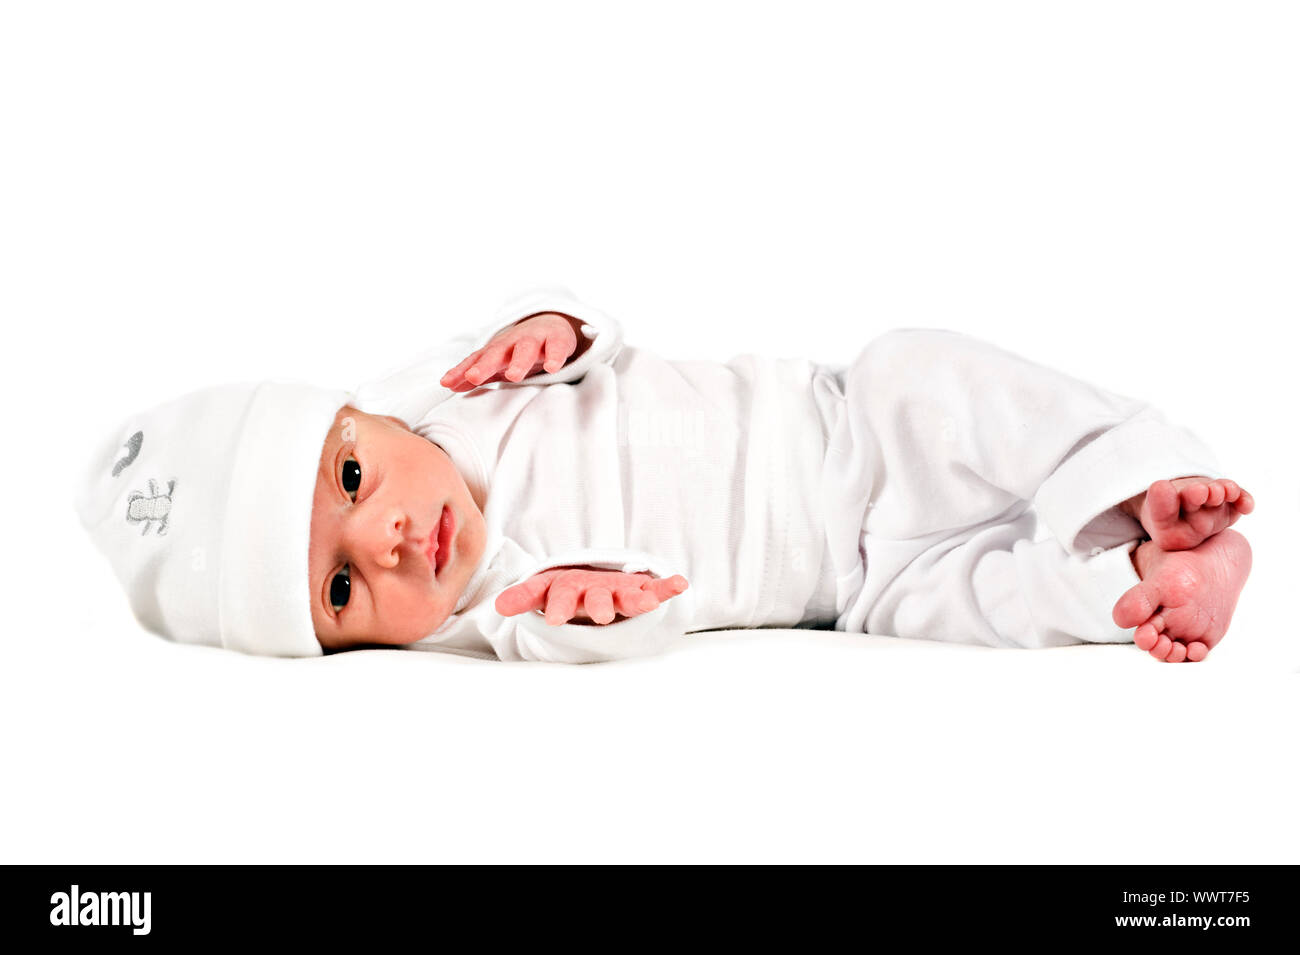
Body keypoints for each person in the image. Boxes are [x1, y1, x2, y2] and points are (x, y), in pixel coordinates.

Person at [78, 286, 1253, 664]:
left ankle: (1138, 473)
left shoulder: (443, 386)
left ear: (356, 416)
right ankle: (1153, 581)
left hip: (847, 434)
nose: (384, 539)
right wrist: (593, 613)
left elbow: (593, 342)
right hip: (849, 593)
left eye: (347, 480)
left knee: (929, 372)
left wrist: (553, 327)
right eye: (339, 591)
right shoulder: (492, 612)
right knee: (991, 607)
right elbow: (618, 637)